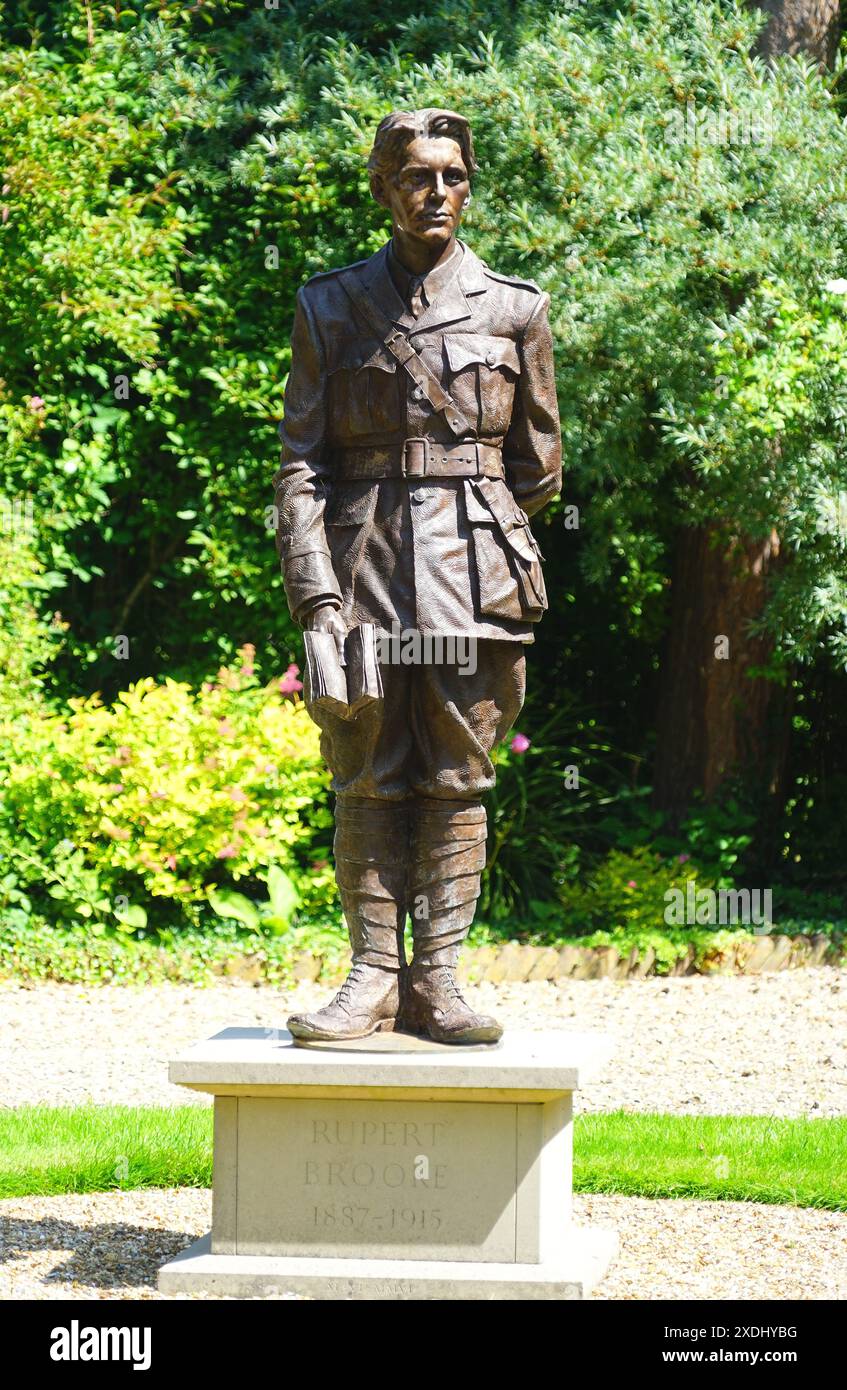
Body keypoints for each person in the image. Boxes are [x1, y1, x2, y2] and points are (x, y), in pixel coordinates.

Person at [272, 108, 561, 1043]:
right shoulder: (329, 306)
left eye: (451, 175)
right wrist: (317, 599)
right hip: (358, 578)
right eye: (414, 176)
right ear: (382, 188)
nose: (435, 192)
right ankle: (369, 979)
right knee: (364, 776)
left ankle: (437, 981)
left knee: (456, 778)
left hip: (475, 579)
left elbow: (540, 466)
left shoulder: (516, 309)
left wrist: (470, 520)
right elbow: (302, 464)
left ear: (467, 185)